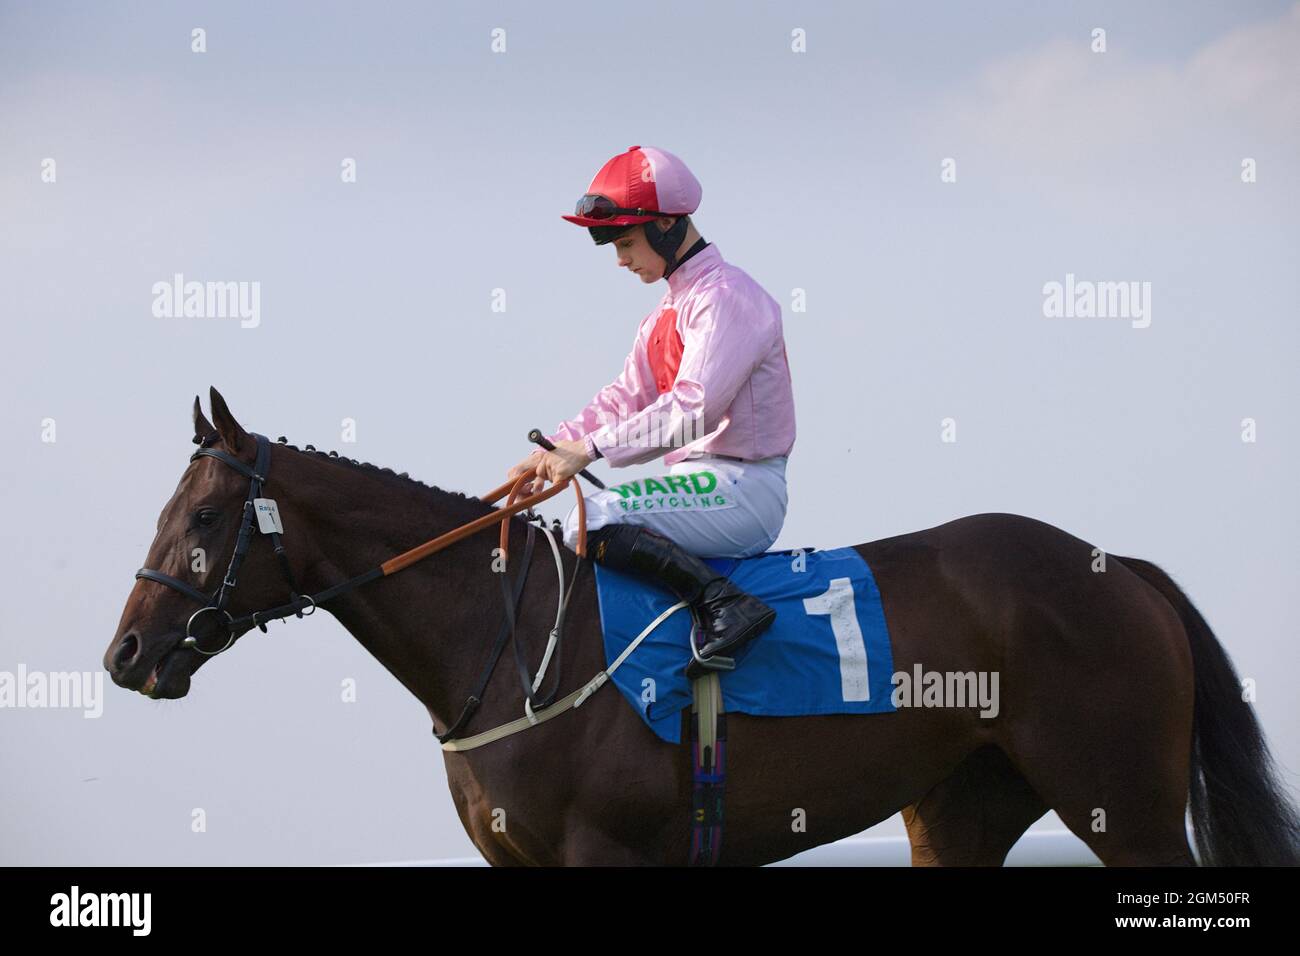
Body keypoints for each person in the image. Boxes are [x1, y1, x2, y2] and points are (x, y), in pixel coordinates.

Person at [506, 145, 797, 671]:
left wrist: (589, 450)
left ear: (666, 225)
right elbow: (624, 397)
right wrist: (554, 449)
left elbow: (694, 410)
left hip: (743, 488)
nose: (620, 260)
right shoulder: (666, 312)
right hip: (703, 485)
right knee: (580, 518)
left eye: (626, 242)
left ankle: (726, 605)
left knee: (587, 520)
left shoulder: (727, 296)